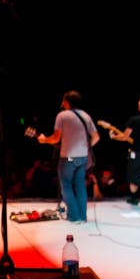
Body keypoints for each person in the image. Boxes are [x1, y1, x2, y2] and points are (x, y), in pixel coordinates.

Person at [37, 90, 100, 223]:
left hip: (68, 158)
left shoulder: (62, 116)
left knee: (66, 186)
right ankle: (82, 217)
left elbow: (55, 138)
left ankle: (74, 216)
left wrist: (44, 140)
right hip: (83, 158)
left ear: (66, 102)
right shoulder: (86, 116)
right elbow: (96, 137)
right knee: (80, 186)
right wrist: (85, 148)